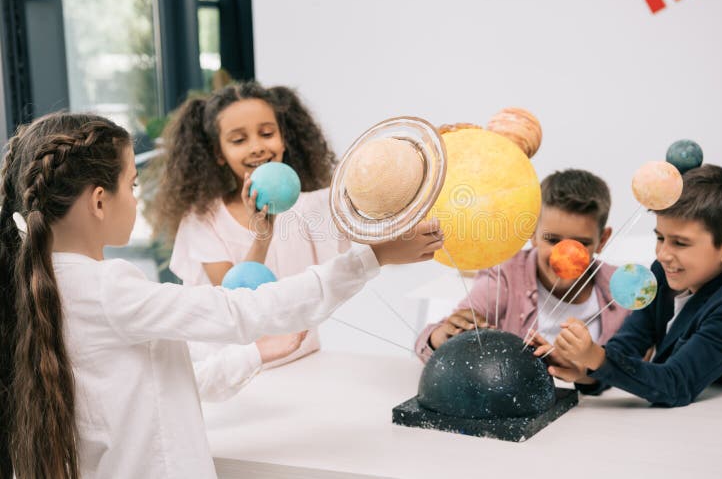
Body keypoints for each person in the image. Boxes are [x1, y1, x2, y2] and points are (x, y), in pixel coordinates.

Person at [0, 113, 442, 478]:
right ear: (99, 202)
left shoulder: (41, 286)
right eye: (132, 185)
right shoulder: (107, 289)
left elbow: (157, 380)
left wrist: (255, 356)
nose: (136, 199)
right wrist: (373, 257)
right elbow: (241, 310)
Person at [535, 164, 722, 407]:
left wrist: (598, 359)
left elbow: (676, 384)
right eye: (660, 237)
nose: (662, 254)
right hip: (716, 396)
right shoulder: (661, 274)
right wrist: (587, 371)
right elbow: (628, 345)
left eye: (680, 243)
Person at [149, 82, 346, 401]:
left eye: (267, 133)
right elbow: (237, 302)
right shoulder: (203, 221)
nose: (257, 147)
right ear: (219, 154)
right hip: (240, 380)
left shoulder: (312, 207)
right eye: (239, 140)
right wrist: (262, 236)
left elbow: (373, 194)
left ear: (284, 139)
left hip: (306, 365)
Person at [415, 169, 629, 361]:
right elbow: (427, 342)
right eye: (552, 240)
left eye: (580, 244)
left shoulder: (622, 289)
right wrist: (444, 336)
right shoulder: (505, 275)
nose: (563, 256)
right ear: (532, 232)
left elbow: (639, 363)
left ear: (602, 240)